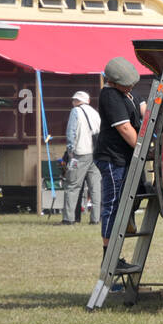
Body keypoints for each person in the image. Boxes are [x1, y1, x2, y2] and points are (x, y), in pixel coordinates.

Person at [95, 57, 142, 262]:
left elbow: (141, 109)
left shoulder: (125, 94)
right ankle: (109, 257)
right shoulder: (110, 95)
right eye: (127, 83)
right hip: (113, 158)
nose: (131, 86)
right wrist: (144, 149)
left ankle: (127, 222)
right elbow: (124, 128)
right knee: (112, 204)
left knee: (134, 193)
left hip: (124, 158)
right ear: (113, 82)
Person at [62, 90, 101, 226]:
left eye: (74, 100)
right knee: (95, 187)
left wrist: (70, 152)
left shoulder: (75, 112)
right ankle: (95, 218)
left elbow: (71, 132)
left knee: (72, 185)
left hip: (80, 154)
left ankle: (69, 218)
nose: (73, 102)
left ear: (77, 101)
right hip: (95, 154)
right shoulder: (95, 113)